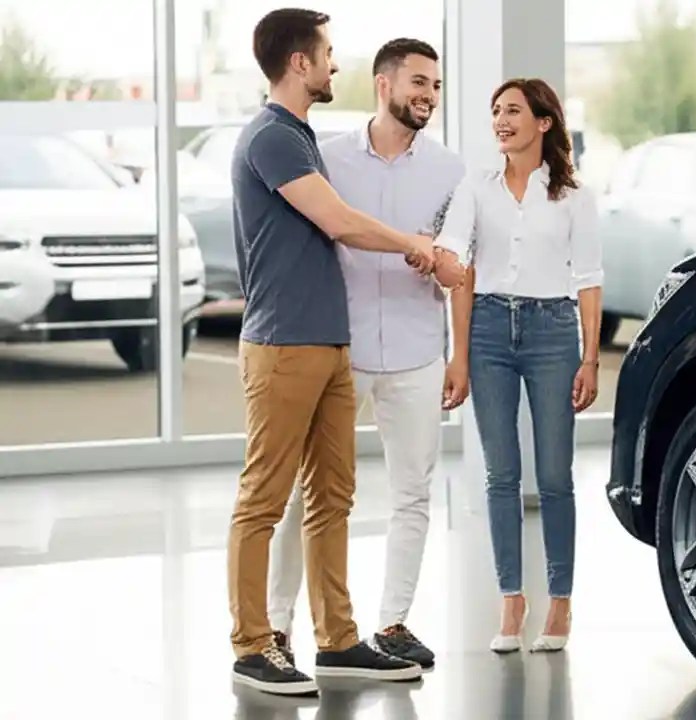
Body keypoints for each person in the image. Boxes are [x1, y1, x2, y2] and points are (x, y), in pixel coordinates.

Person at [227, 9, 437, 695]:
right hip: (283, 345)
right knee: (264, 500)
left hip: (328, 344)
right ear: (298, 64)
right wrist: (414, 243)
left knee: (332, 499)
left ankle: (338, 639)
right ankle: (253, 645)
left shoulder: (299, 135)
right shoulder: (272, 138)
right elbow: (339, 222)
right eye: (326, 54)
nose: (333, 65)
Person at [265, 37, 468, 671]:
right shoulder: (324, 159)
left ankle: (394, 623)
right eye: (418, 83)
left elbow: (459, 266)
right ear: (383, 85)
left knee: (413, 493)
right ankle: (277, 627)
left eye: (435, 86)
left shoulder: (450, 170)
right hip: (339, 349)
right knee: (309, 495)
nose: (428, 96)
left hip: (416, 351)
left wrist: (456, 350)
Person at [432, 78, 603, 654]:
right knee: (500, 475)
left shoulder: (574, 196)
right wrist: (457, 354)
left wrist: (590, 358)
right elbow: (455, 258)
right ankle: (511, 601)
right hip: (487, 330)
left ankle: (561, 602)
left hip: (554, 331)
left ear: (544, 122)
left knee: (555, 477)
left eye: (512, 111)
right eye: (495, 111)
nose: (500, 120)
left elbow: (588, 280)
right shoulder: (476, 189)